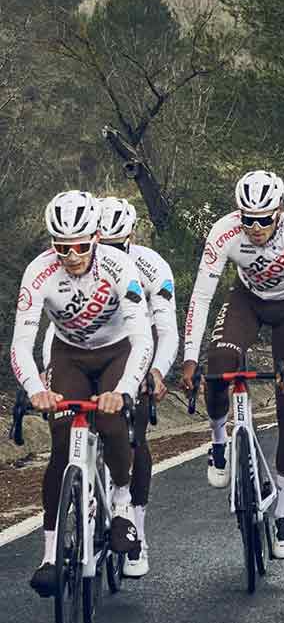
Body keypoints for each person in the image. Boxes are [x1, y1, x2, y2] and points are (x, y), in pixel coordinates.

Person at [11, 189, 152, 597]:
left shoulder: (118, 265)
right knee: (60, 444)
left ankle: (122, 505)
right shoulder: (39, 272)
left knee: (110, 423)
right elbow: (21, 344)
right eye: (61, 246)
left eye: (79, 245)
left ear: (94, 237)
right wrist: (36, 388)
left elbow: (142, 337)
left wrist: (124, 391)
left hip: (117, 350)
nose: (70, 255)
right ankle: (51, 555)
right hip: (69, 353)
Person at [181, 170, 284, 559]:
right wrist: (190, 356)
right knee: (220, 363)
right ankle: (219, 440)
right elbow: (201, 296)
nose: (255, 227)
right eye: (248, 219)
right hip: (248, 298)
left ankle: (283, 514)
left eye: (264, 219)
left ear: (280, 212)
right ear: (237, 215)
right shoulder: (224, 233)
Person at [94, 196, 178, 578]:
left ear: (131, 236)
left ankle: (137, 535)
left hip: (135, 348)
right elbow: (57, 328)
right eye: (102, 246)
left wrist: (157, 370)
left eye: (116, 247)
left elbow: (165, 328)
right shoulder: (79, 265)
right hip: (89, 347)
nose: (109, 255)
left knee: (134, 436)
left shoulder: (151, 266)